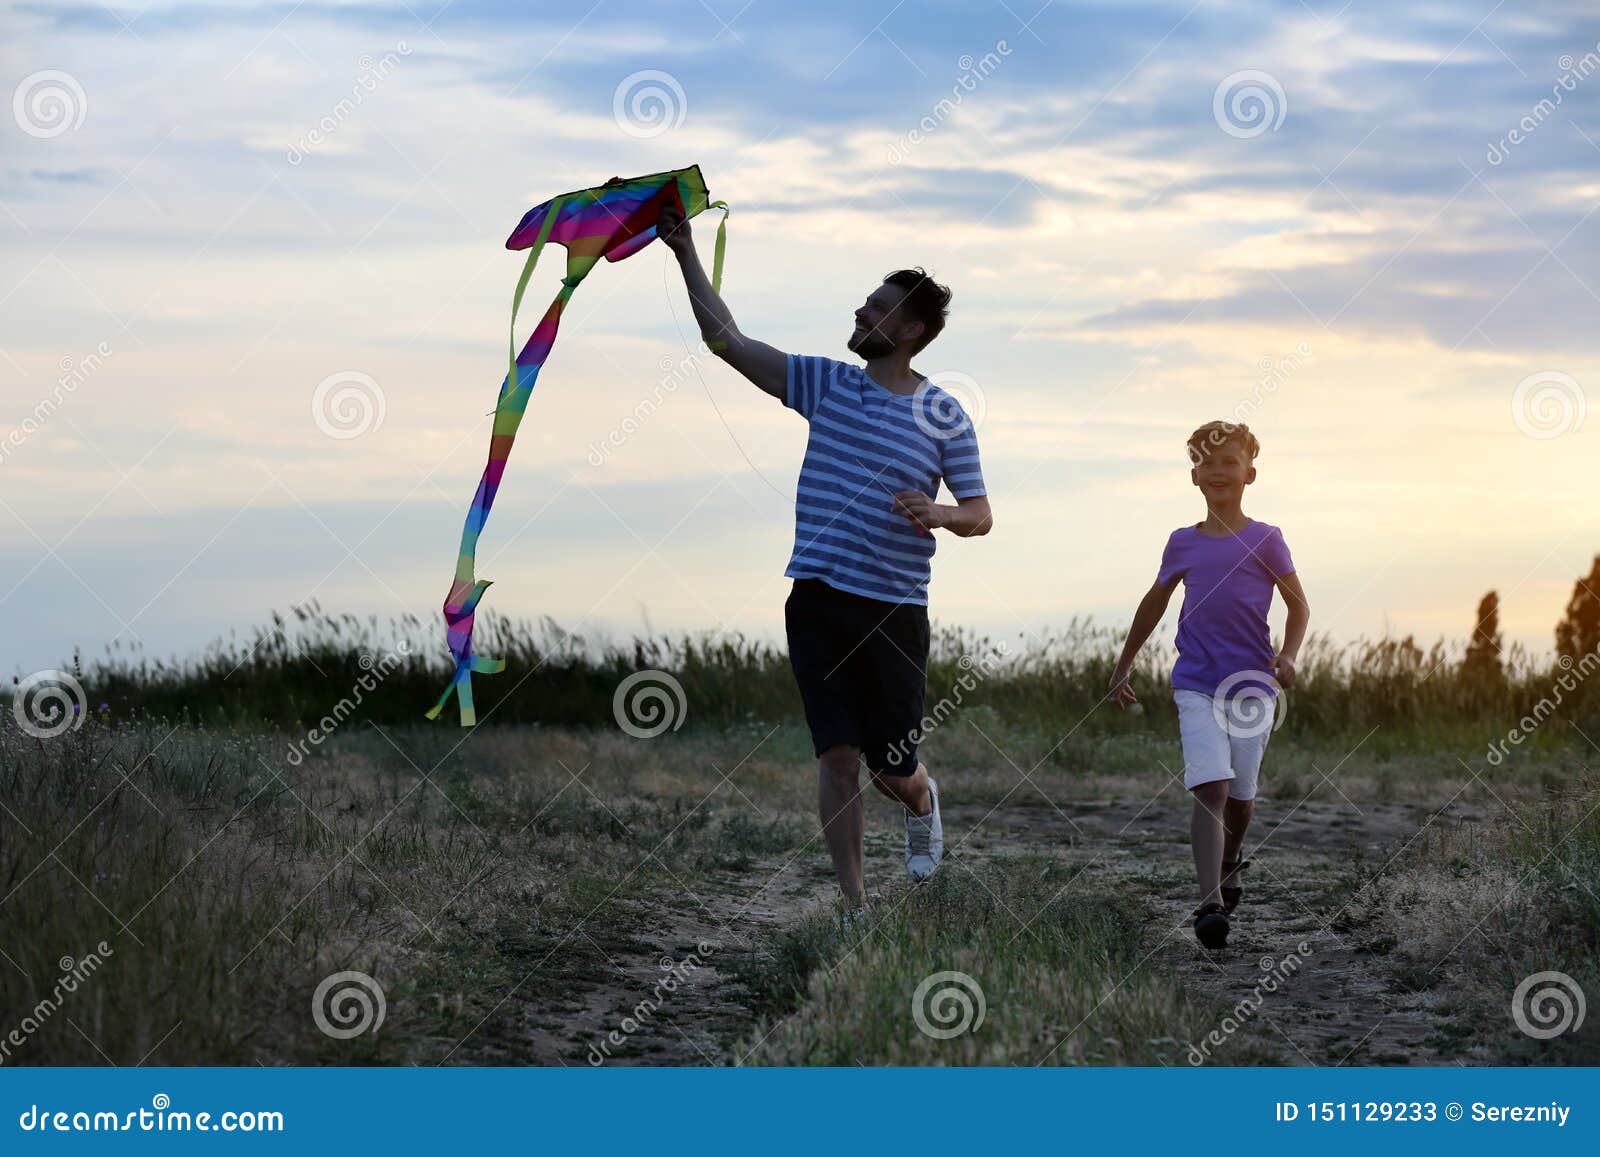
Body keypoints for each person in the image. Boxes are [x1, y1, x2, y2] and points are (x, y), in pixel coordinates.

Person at [657, 202, 993, 911]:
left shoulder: (945, 414)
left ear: (909, 331)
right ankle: (854, 906)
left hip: (895, 610)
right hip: (817, 599)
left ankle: (922, 795)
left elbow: (980, 514)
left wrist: (940, 512)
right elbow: (727, 340)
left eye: (875, 308)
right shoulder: (826, 384)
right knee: (838, 757)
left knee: (887, 769)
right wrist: (685, 251)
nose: (861, 312)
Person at [1107, 421, 1309, 949]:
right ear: (1194, 475)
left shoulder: (1267, 539)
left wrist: (1287, 655)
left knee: (1240, 796)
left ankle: (1229, 859)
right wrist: (1123, 664)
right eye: (1208, 464)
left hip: (1252, 687)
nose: (1219, 472)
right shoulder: (1182, 543)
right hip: (1195, 682)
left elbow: (1298, 604)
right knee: (1210, 789)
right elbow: (1155, 603)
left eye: (1229, 463)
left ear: (1250, 473)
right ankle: (1209, 905)